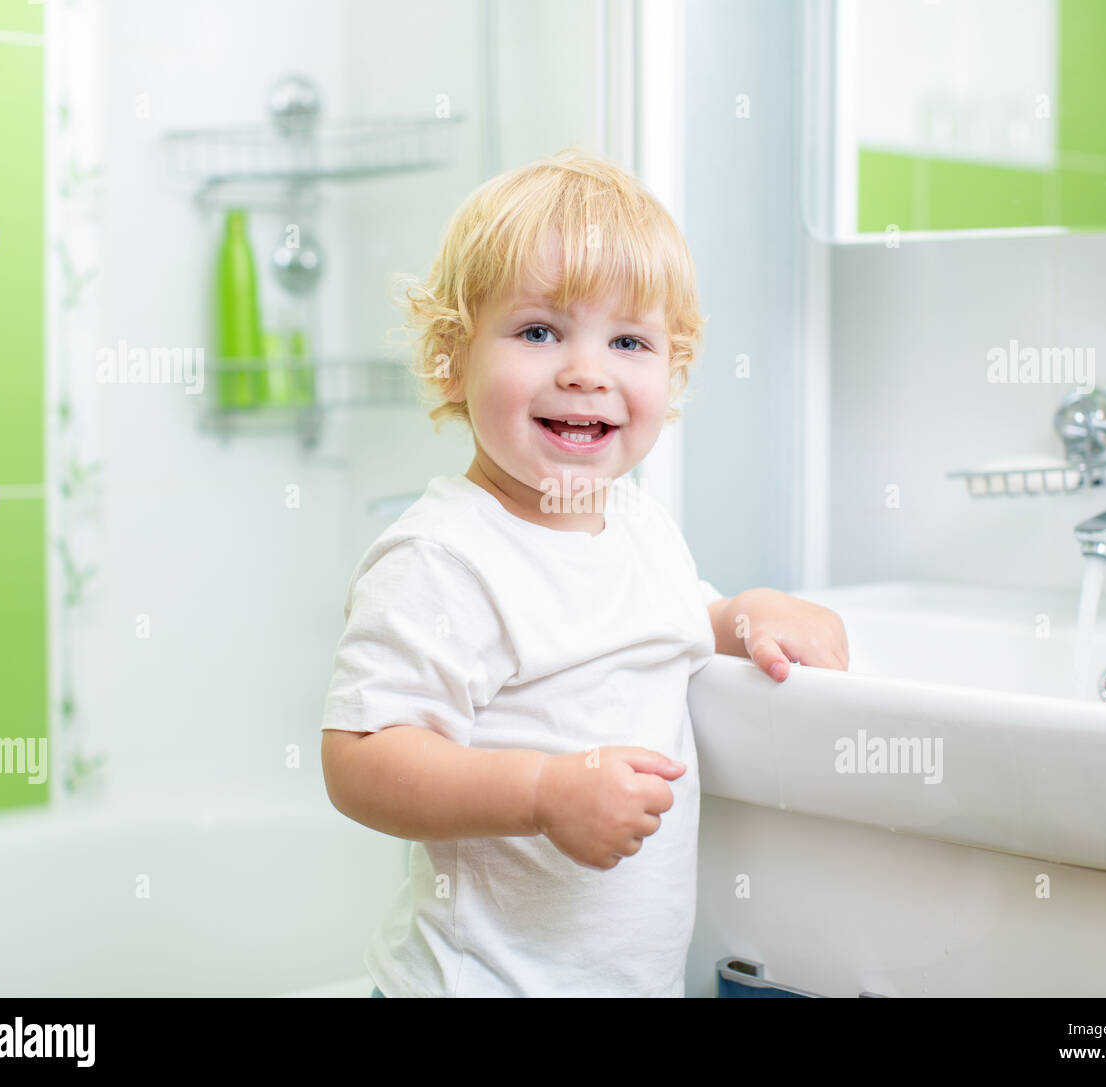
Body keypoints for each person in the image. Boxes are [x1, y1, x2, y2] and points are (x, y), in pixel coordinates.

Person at [320, 146, 848, 997]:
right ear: (453, 357)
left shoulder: (637, 520)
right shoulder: (444, 557)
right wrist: (541, 790)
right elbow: (363, 756)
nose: (586, 370)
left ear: (669, 371)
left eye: (629, 340)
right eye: (539, 331)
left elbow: (672, 618)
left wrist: (746, 614)